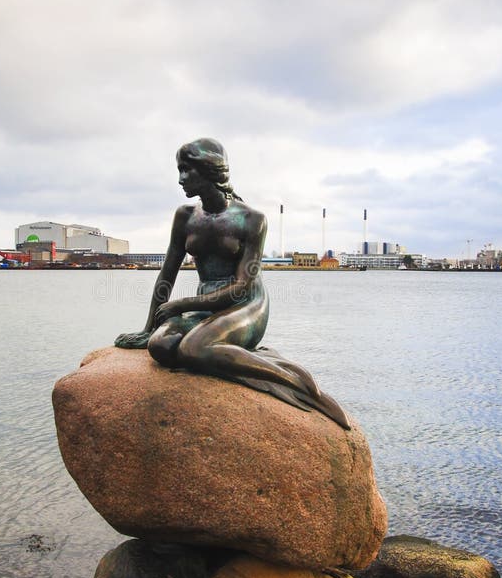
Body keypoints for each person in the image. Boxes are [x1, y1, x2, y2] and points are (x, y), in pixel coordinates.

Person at [115, 138, 350, 429]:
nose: (180, 179)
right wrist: (147, 328)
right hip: (207, 306)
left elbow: (241, 286)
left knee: (192, 350)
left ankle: (293, 380)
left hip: (246, 305)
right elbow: (167, 274)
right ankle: (227, 355)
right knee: (160, 346)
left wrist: (183, 304)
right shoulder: (185, 216)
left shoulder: (252, 220)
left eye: (186, 170)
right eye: (179, 170)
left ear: (209, 169)